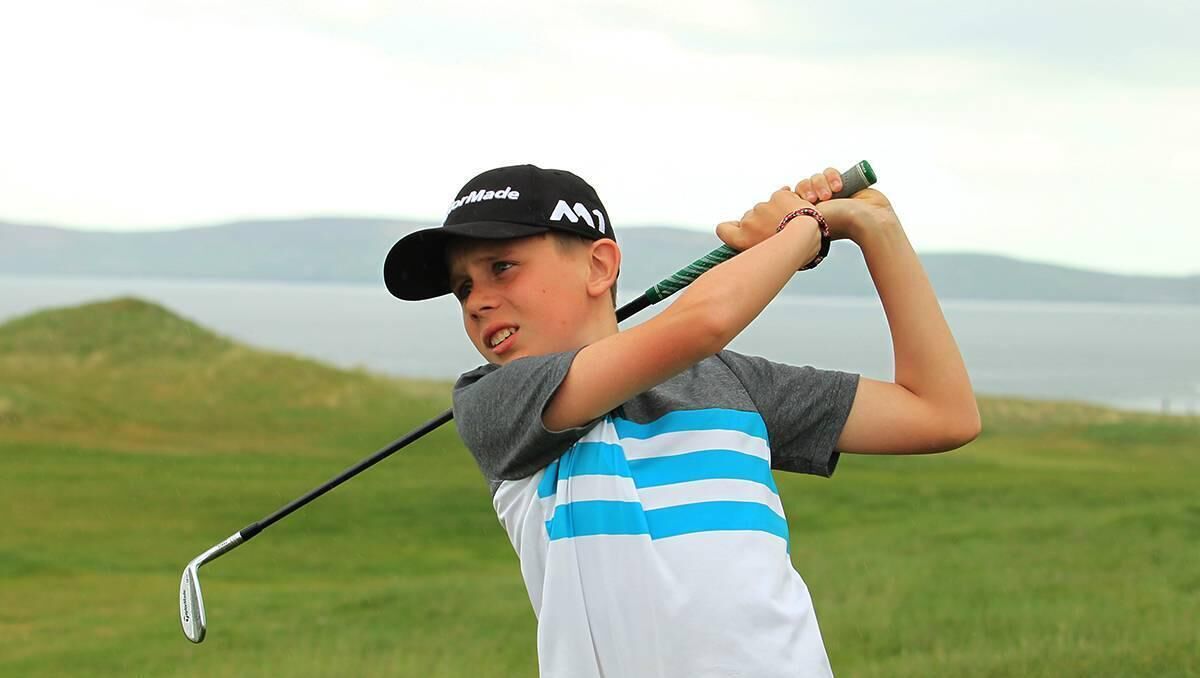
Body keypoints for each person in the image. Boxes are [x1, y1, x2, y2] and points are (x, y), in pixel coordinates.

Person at [383, 163, 980, 677]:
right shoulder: (495, 401)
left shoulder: (733, 383)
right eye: (462, 288)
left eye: (502, 267)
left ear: (599, 267)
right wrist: (807, 228)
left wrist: (876, 229)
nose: (478, 299)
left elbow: (941, 413)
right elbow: (699, 324)